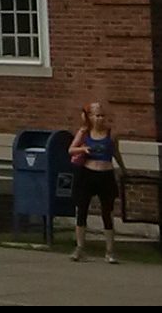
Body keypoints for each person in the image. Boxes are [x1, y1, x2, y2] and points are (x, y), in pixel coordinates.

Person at [68, 99, 121, 263]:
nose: (100, 119)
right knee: (82, 209)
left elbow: (115, 153)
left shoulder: (110, 133)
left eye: (102, 115)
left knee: (107, 212)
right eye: (97, 115)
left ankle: (110, 250)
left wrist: (122, 170)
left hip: (105, 174)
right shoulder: (84, 132)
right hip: (88, 173)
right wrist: (83, 149)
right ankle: (80, 248)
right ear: (89, 117)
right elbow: (71, 149)